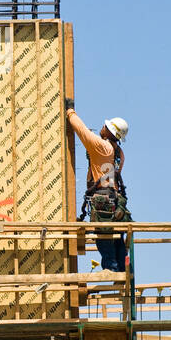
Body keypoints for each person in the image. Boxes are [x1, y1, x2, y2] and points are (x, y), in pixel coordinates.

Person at [65, 98, 131, 272]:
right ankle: (124, 273)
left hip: (103, 201)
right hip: (115, 201)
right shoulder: (119, 152)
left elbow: (83, 132)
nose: (102, 127)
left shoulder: (102, 147)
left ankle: (113, 270)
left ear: (109, 132)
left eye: (105, 126)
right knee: (117, 238)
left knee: (104, 239)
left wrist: (70, 111)